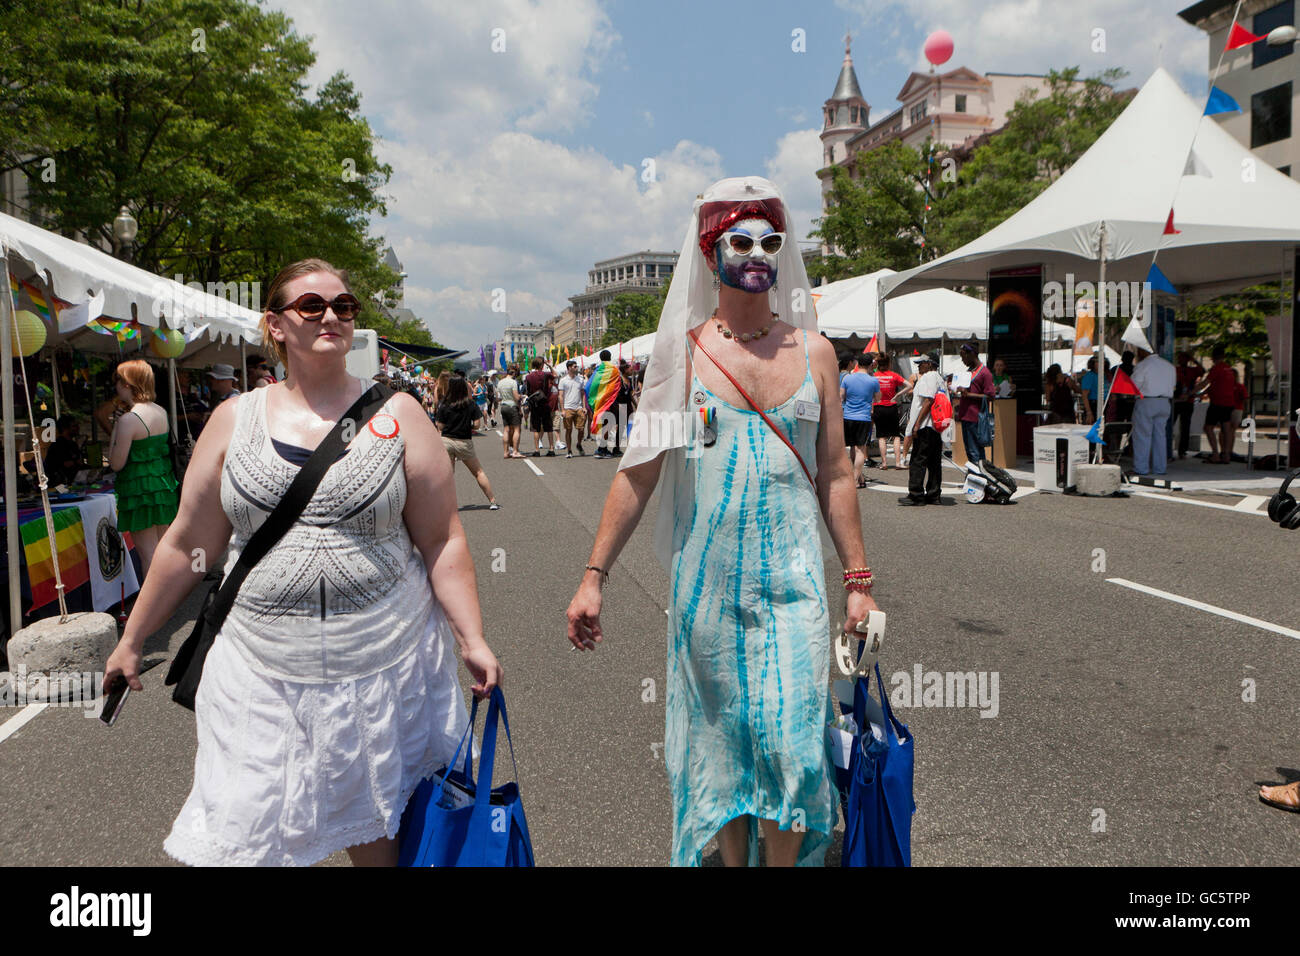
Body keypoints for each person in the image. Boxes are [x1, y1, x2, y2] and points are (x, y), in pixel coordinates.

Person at [102, 257, 503, 867]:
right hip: (259, 676)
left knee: (378, 839)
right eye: (311, 306)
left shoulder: (401, 416)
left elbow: (443, 539)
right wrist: (132, 641)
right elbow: (187, 544)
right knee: (245, 842)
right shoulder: (234, 419)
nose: (331, 317)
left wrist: (470, 636)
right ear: (276, 325)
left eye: (343, 307)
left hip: (378, 671)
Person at [566, 177, 878, 867]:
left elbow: (835, 473)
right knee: (723, 742)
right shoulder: (684, 355)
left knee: (795, 744)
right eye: (741, 239)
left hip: (795, 584)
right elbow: (640, 469)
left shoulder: (816, 354)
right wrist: (594, 577)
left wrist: (858, 580)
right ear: (713, 252)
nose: (758, 252)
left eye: (771, 239)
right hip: (708, 587)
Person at [108, 360, 180, 578]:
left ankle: (154, 609)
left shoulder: (129, 420)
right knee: (161, 551)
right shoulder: (161, 411)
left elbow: (115, 463)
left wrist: (115, 429)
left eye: (118, 381)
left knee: (148, 554)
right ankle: (169, 603)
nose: (116, 386)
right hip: (162, 487)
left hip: (139, 492)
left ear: (128, 384)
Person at [435, 375, 500, 510]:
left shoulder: (444, 404)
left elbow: (439, 426)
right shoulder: (470, 404)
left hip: (446, 441)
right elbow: (477, 425)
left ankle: (447, 506)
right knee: (478, 472)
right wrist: (466, 426)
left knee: (448, 475)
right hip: (464, 441)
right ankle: (492, 501)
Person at [900, 352, 948, 506]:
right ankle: (934, 494)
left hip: (925, 425)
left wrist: (916, 424)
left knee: (918, 460)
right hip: (935, 427)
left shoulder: (929, 377)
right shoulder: (940, 379)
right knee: (934, 462)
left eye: (922, 363)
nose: (919, 365)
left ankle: (916, 494)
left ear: (931, 364)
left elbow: (928, 400)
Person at [1129, 345, 1175, 476]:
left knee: (1143, 436)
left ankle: (1141, 468)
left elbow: (1134, 385)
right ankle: (1160, 468)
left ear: (1143, 351)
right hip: (1165, 402)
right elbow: (1173, 385)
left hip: (1147, 401)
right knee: (1160, 436)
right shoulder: (1169, 366)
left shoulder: (1143, 365)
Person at [840, 354, 880, 487]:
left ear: (857, 364)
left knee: (852, 447)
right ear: (870, 365)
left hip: (848, 416)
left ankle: (860, 478)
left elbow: (841, 397)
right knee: (861, 450)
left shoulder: (848, 378)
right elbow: (878, 399)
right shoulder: (873, 381)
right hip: (863, 417)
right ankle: (855, 479)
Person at [953, 343, 994, 464]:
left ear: (971, 354)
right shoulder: (969, 371)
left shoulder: (984, 373)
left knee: (975, 451)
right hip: (965, 416)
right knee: (970, 451)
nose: (962, 360)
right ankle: (975, 477)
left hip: (975, 418)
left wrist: (969, 395)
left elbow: (990, 396)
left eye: (963, 356)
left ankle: (979, 477)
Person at [1198, 345, 1237, 464]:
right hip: (1229, 402)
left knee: (1208, 427)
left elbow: (1206, 382)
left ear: (1213, 357)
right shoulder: (1229, 369)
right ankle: (1226, 455)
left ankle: (1215, 454)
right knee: (1226, 428)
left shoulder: (1216, 369)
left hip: (1218, 402)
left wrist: (1192, 392)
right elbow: (1218, 385)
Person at [872, 353, 909, 470]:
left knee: (881, 436)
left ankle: (884, 463)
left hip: (878, 407)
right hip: (892, 406)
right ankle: (898, 463)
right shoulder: (893, 375)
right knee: (896, 436)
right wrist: (898, 394)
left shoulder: (874, 376)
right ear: (889, 363)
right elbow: (909, 385)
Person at [1171, 351, 1202, 460]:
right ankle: (1168, 449)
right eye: (1180, 358)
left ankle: (1182, 451)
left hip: (1188, 401)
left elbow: (1202, 370)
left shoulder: (1192, 370)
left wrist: (1193, 359)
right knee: (1170, 425)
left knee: (1185, 427)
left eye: (1183, 358)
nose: (1181, 360)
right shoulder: (1175, 369)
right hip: (1176, 400)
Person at [524, 358, 555, 456]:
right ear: (542, 365)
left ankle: (537, 450)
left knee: (536, 428)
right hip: (545, 403)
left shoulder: (528, 377)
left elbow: (527, 391)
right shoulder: (545, 374)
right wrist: (549, 366)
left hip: (535, 405)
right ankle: (551, 449)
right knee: (549, 427)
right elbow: (555, 375)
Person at [43, 414, 85, 486]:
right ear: (65, 428)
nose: (78, 428)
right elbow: (61, 465)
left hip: (75, 482)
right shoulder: (57, 446)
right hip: (59, 485)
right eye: (74, 426)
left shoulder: (73, 444)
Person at [559, 360, 587, 457]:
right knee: (568, 430)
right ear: (569, 368)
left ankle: (579, 444)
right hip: (568, 408)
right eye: (575, 367)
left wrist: (584, 407)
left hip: (578, 407)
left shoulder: (580, 379)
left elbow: (583, 394)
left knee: (581, 429)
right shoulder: (563, 380)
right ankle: (569, 450)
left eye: (576, 366)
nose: (576, 368)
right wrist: (562, 409)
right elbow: (560, 396)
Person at [497, 364, 525, 459]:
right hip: (512, 406)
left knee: (506, 430)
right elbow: (516, 397)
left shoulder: (500, 382)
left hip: (503, 406)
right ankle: (515, 451)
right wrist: (521, 397)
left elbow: (498, 397)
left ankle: (506, 452)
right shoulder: (513, 382)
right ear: (514, 373)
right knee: (517, 429)